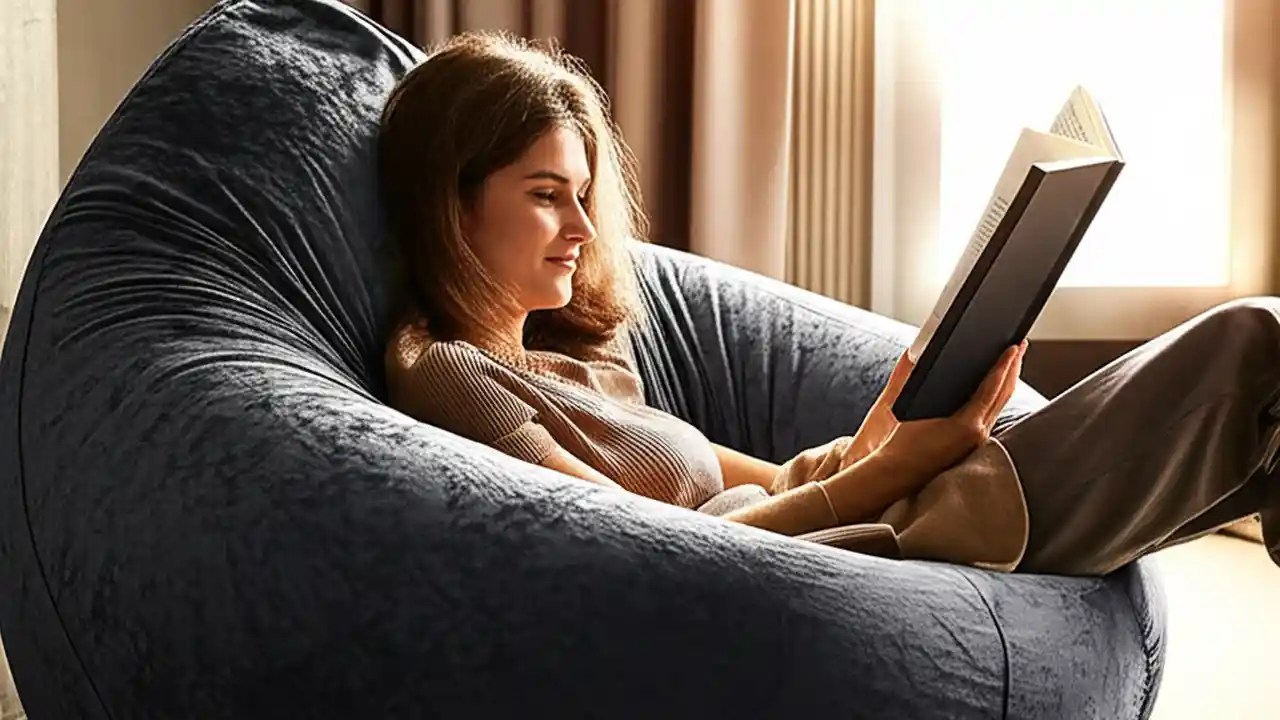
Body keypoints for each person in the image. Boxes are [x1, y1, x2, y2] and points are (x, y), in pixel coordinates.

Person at [379, 31, 1279, 576]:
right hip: (897, 545)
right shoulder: (453, 372)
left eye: (583, 193)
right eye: (546, 194)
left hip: (891, 510)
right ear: (450, 202)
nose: (582, 225)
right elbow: (655, 552)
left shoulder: (567, 355)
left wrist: (898, 413)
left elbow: (777, 489)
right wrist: (900, 469)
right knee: (1255, 343)